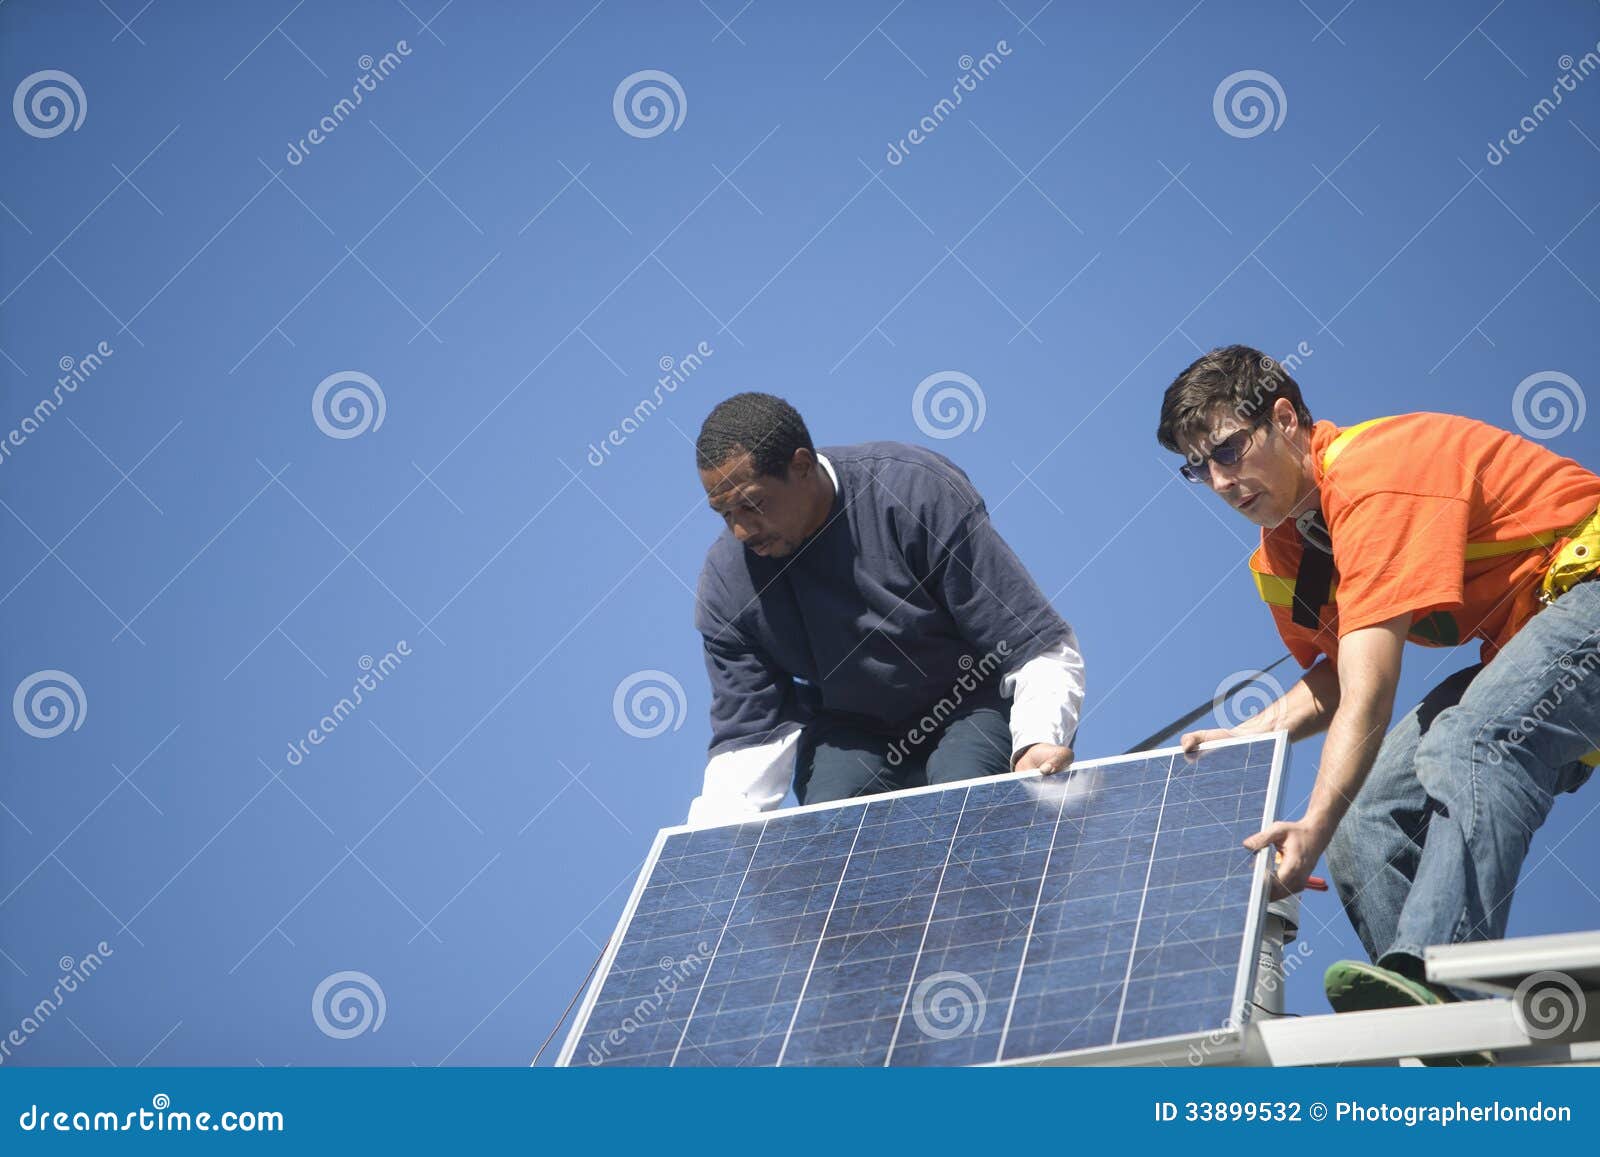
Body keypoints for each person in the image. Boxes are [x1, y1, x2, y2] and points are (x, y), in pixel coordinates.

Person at [1157, 344, 1600, 1029]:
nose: (1218, 481)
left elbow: (1369, 690)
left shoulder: (1373, 474)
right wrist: (1250, 735)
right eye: (1198, 468)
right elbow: (1337, 673)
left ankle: (1436, 974)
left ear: (1283, 417)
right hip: (1530, 638)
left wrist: (1308, 823)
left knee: (1473, 742)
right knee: (1363, 823)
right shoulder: (1285, 561)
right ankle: (1446, 1026)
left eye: (1227, 451)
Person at [687, 392, 1085, 826]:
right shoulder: (729, 585)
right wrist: (711, 857)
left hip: (971, 702)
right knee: (836, 838)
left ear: (801, 466)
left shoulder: (914, 493)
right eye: (724, 513)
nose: (741, 529)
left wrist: (1038, 740)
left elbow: (1032, 642)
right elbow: (750, 739)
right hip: (850, 733)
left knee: (967, 809)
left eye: (752, 504)